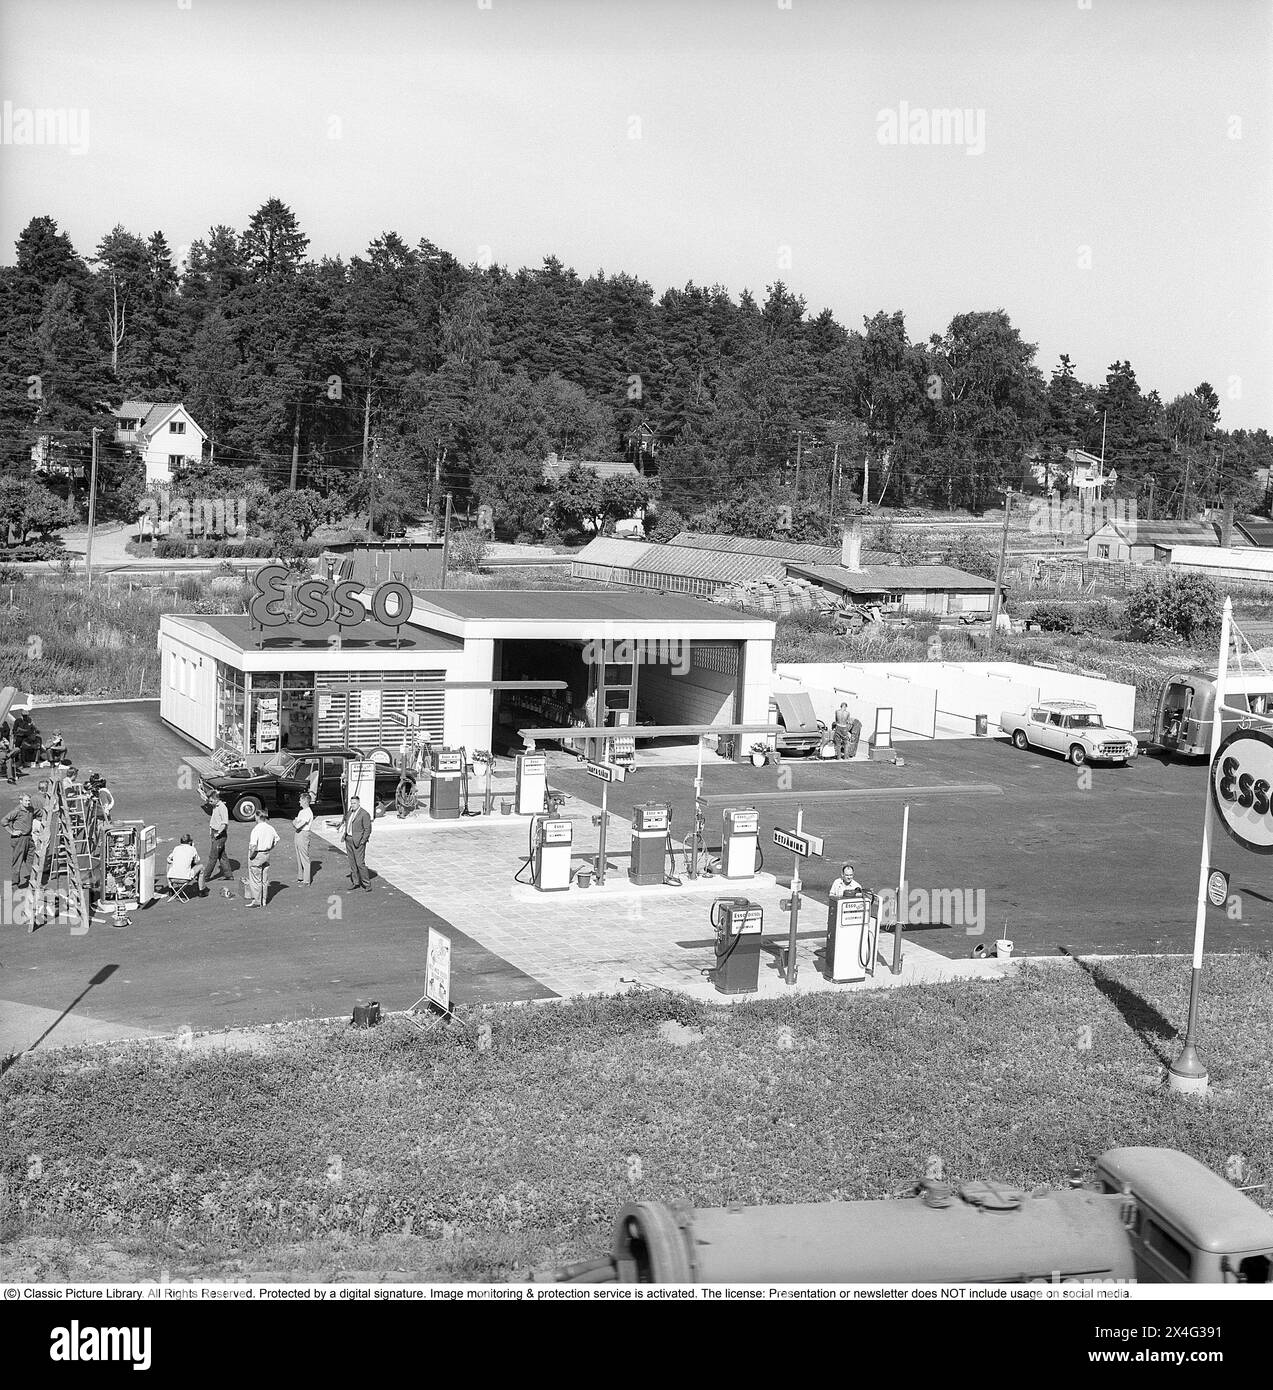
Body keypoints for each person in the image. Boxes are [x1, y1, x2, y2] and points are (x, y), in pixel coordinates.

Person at [244, 809, 279, 908]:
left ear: (258, 817)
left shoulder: (256, 829)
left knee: (255, 879)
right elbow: (276, 839)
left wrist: (251, 855)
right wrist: (270, 847)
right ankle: (263, 900)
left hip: (257, 854)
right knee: (264, 879)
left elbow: (253, 845)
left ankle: (257, 901)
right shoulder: (270, 828)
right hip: (266, 854)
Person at [3, 794, 37, 889]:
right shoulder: (17, 811)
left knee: (32, 860)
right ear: (21, 801)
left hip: (29, 838)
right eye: (26, 801)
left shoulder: (31, 809)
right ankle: (15, 884)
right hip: (19, 839)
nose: (28, 802)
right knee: (18, 861)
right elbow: (4, 821)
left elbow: (40, 813)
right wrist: (12, 832)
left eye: (29, 801)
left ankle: (34, 881)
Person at [343, 795, 373, 892]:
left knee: (360, 863)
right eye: (351, 803)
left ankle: (367, 884)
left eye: (354, 803)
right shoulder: (350, 813)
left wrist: (363, 841)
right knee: (352, 863)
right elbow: (347, 823)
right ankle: (356, 882)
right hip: (349, 839)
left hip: (358, 841)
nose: (352, 805)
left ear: (359, 803)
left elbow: (368, 829)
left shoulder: (364, 814)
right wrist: (344, 835)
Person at [207, 789, 231, 881]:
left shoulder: (222, 807)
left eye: (211, 800)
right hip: (215, 832)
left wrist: (217, 833)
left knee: (213, 857)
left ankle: (205, 877)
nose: (209, 802)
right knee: (222, 855)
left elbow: (224, 823)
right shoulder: (215, 806)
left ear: (216, 799)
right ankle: (228, 875)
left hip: (219, 834)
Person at [292, 792, 313, 886]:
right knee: (298, 856)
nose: (299, 801)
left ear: (305, 801)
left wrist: (295, 822)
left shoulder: (308, 812)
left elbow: (298, 825)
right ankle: (301, 877)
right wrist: (296, 822)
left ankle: (307, 880)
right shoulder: (301, 812)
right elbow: (296, 823)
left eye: (300, 800)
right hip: (298, 834)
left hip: (303, 834)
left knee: (304, 857)